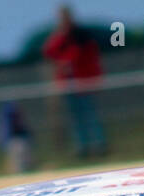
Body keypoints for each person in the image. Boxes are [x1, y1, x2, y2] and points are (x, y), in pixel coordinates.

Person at [42, 5, 107, 158]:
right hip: (69, 85)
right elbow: (48, 50)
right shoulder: (62, 35)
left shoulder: (80, 34)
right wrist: (60, 33)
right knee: (76, 118)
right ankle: (83, 148)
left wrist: (65, 61)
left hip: (83, 82)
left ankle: (99, 145)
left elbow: (79, 54)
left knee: (90, 115)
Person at [0, 102, 34, 174]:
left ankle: (23, 172)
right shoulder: (9, 115)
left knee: (23, 159)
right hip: (13, 139)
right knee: (16, 162)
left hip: (18, 139)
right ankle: (17, 173)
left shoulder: (12, 116)